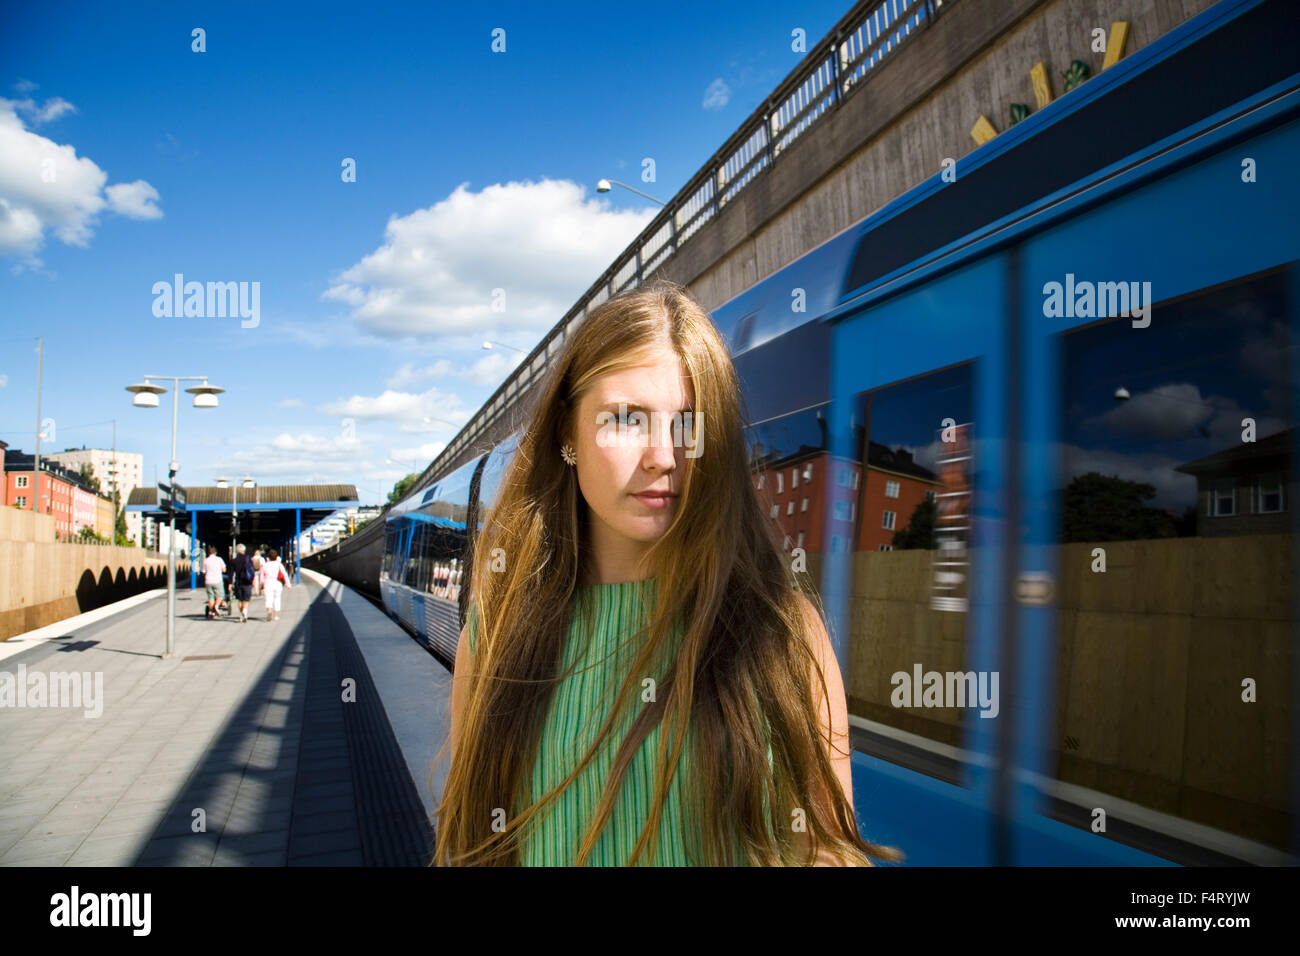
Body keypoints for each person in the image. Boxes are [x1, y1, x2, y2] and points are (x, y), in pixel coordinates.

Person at [436, 279, 902, 867]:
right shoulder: (499, 628)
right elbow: (479, 844)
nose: (663, 455)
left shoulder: (782, 630)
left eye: (689, 423)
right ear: (566, 436)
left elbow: (824, 854)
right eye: (626, 418)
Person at [260, 547, 290, 621]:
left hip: (268, 583)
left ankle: (269, 611)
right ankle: (276, 615)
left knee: (268, 599)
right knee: (277, 598)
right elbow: (284, 574)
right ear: (276, 557)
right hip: (277, 583)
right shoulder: (279, 565)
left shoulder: (265, 565)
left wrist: (261, 585)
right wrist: (288, 584)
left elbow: (261, 576)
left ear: (268, 557)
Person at [230, 543, 254, 623]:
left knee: (240, 599)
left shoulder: (234, 561)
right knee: (246, 599)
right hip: (247, 581)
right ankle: (245, 611)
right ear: (244, 550)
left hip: (238, 582)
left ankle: (241, 614)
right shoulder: (248, 558)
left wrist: (230, 583)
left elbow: (231, 573)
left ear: (236, 551)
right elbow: (251, 571)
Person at [202, 545, 226, 619]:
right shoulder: (219, 559)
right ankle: (216, 606)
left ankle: (211, 611)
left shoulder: (205, 560)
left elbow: (203, 571)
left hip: (208, 581)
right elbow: (224, 570)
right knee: (220, 595)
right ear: (215, 552)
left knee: (211, 597)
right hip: (217, 580)